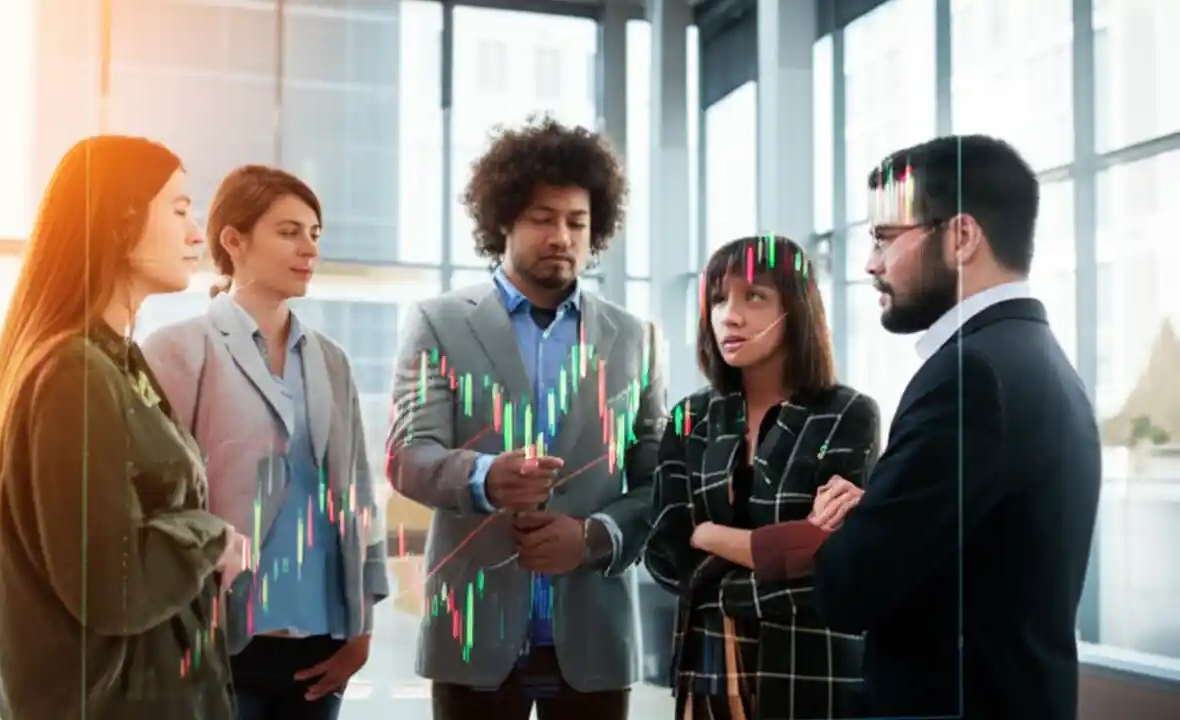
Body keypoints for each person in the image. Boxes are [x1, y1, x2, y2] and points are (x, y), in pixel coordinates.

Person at [753, 135, 1102, 719]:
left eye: (885, 238)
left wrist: (837, 526)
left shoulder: (969, 376)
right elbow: (984, 547)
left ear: (961, 236)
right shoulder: (1036, 357)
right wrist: (887, 507)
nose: (870, 263)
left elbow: (852, 590)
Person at [385, 115, 667, 720]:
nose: (562, 236)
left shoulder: (635, 339)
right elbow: (409, 455)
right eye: (543, 218)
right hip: (473, 630)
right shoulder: (438, 323)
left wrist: (596, 536)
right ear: (503, 220)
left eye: (577, 222)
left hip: (593, 631)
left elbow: (659, 482)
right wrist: (485, 477)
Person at [0, 135, 247, 719]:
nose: (197, 234)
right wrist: (213, 538)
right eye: (178, 211)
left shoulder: (115, 360)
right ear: (121, 223)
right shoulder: (76, 371)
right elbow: (113, 582)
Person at [141, 165, 388, 720]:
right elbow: (156, 502)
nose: (309, 249)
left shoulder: (329, 360)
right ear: (233, 240)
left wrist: (363, 622)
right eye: (289, 231)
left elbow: (359, 493)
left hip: (322, 636)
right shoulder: (179, 350)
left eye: (315, 234)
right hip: (220, 634)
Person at [643, 235, 882, 720]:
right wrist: (778, 552)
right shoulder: (690, 418)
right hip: (708, 664)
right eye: (717, 299)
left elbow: (828, 554)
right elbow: (666, 552)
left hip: (812, 665)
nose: (729, 316)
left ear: (795, 307)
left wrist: (709, 537)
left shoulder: (846, 413)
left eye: (754, 296)